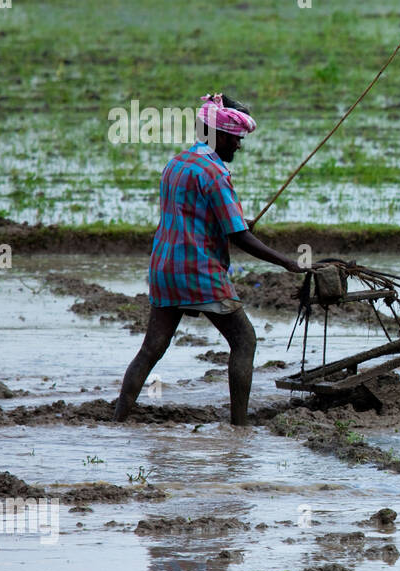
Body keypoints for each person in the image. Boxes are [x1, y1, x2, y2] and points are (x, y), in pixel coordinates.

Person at [115, 93, 305, 426]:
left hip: (164, 269)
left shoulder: (176, 164)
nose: (238, 146)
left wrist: (235, 226)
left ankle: (119, 419)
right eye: (235, 138)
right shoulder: (215, 174)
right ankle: (239, 427)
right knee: (244, 340)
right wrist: (287, 262)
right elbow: (239, 237)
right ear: (217, 135)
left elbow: (197, 219)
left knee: (152, 348)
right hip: (199, 271)